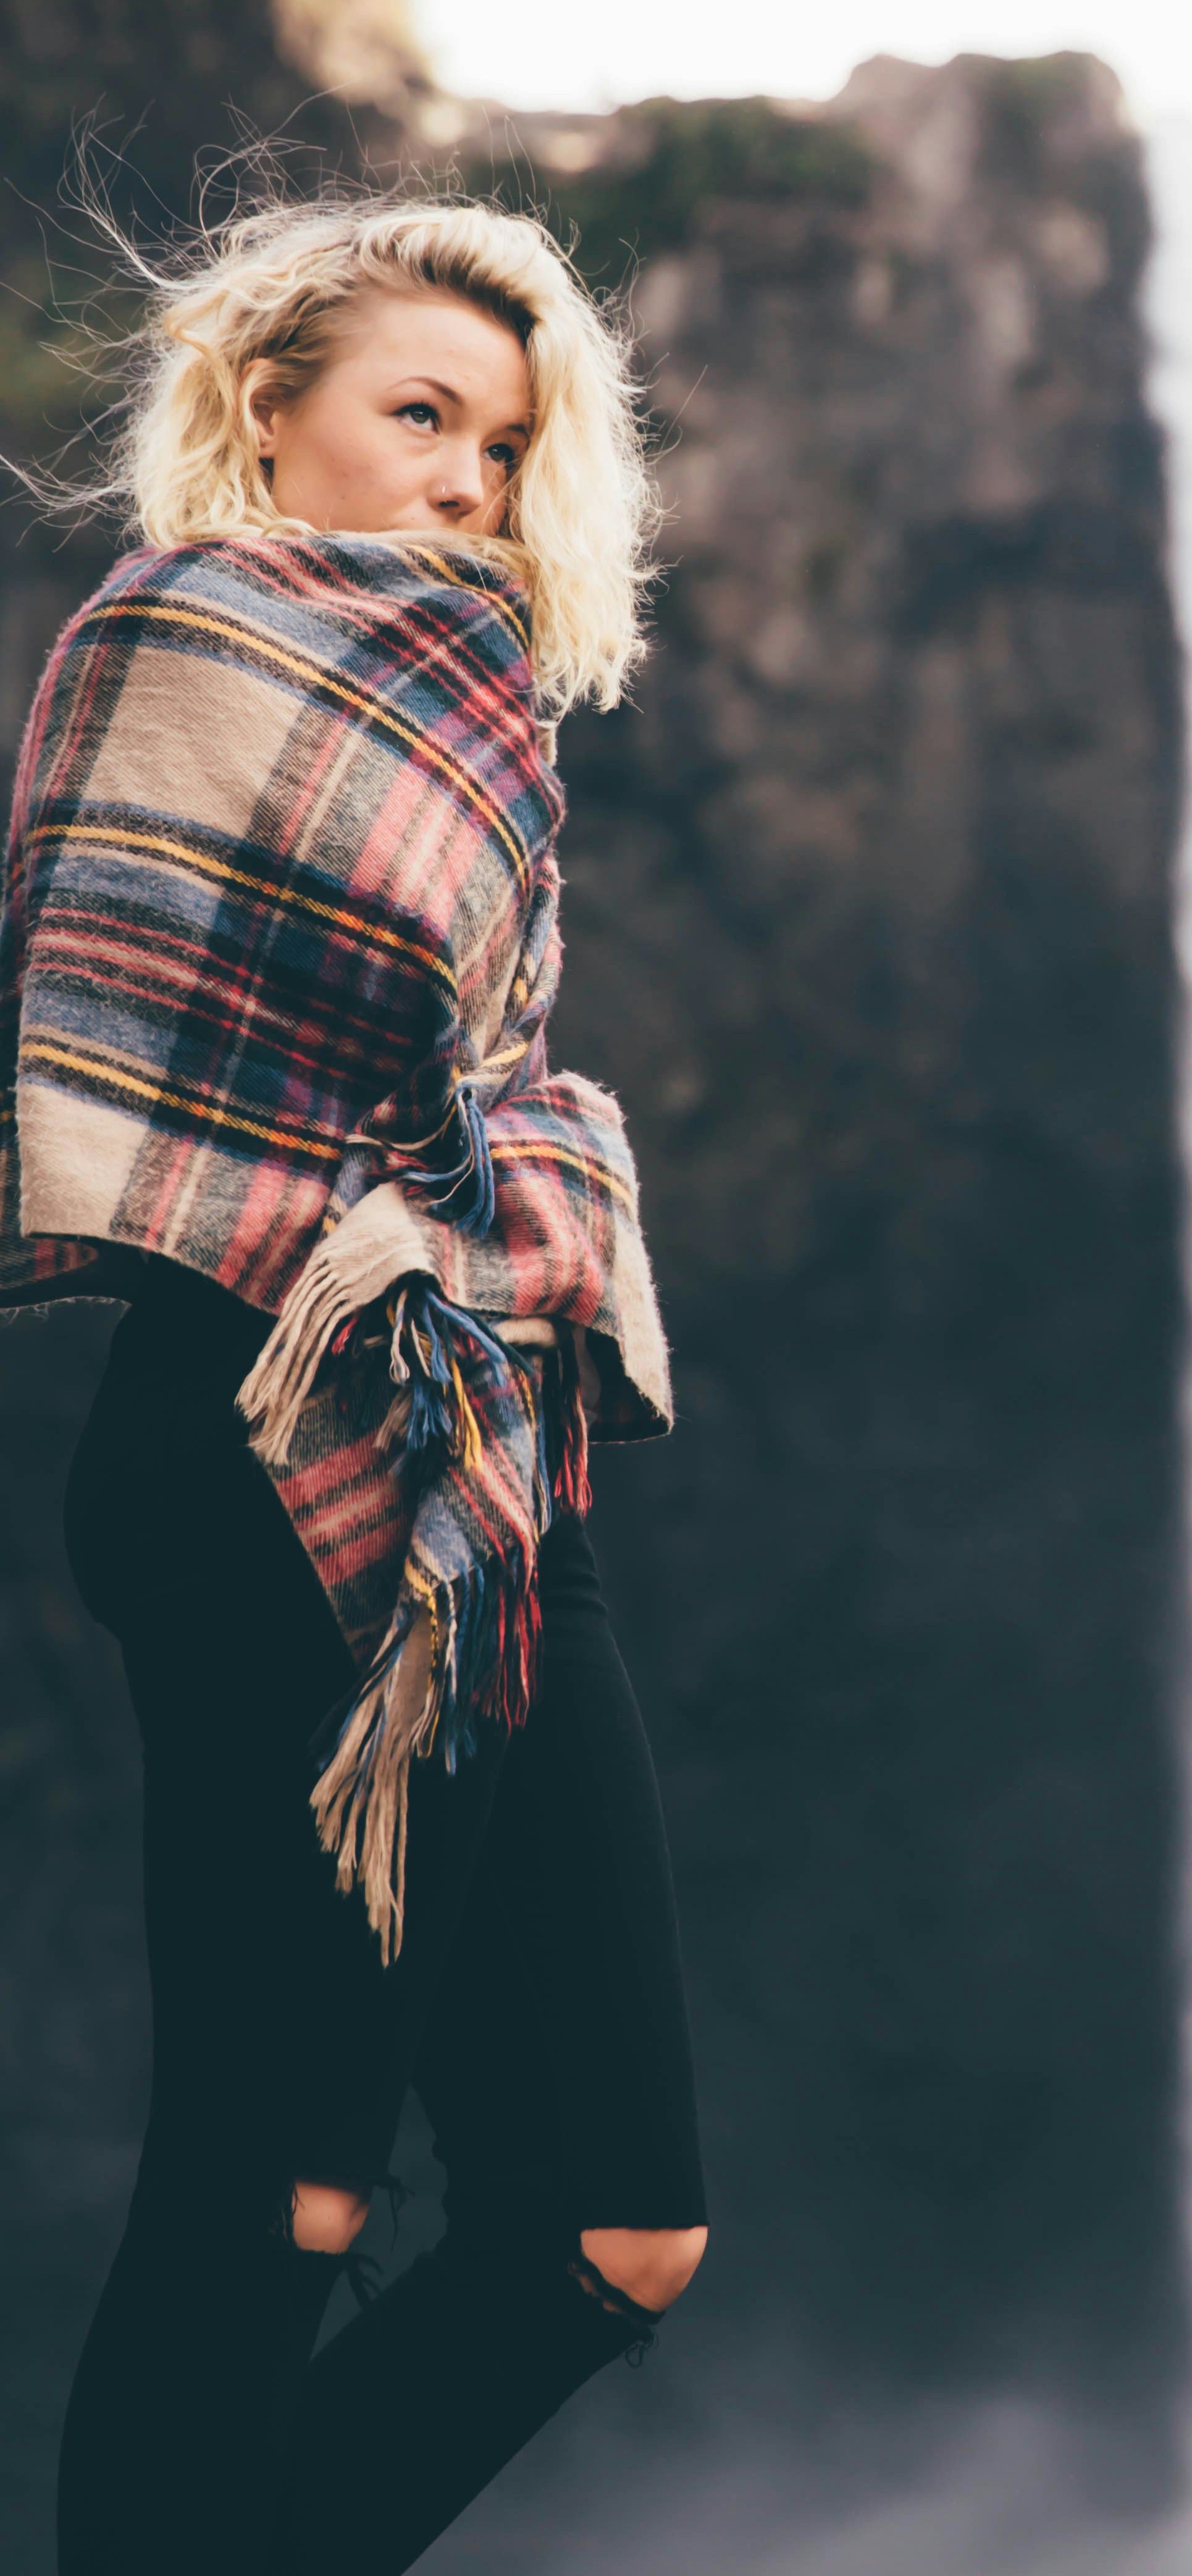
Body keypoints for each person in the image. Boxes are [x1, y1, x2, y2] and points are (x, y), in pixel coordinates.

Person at [1, 192, 708, 2572]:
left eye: (508, 447)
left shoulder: (481, 712)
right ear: (265, 411)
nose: (469, 483)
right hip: (248, 1450)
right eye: (422, 415)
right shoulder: (182, 638)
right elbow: (167, 1050)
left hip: (487, 1477)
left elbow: (451, 1074)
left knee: (618, 2229)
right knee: (278, 2186)